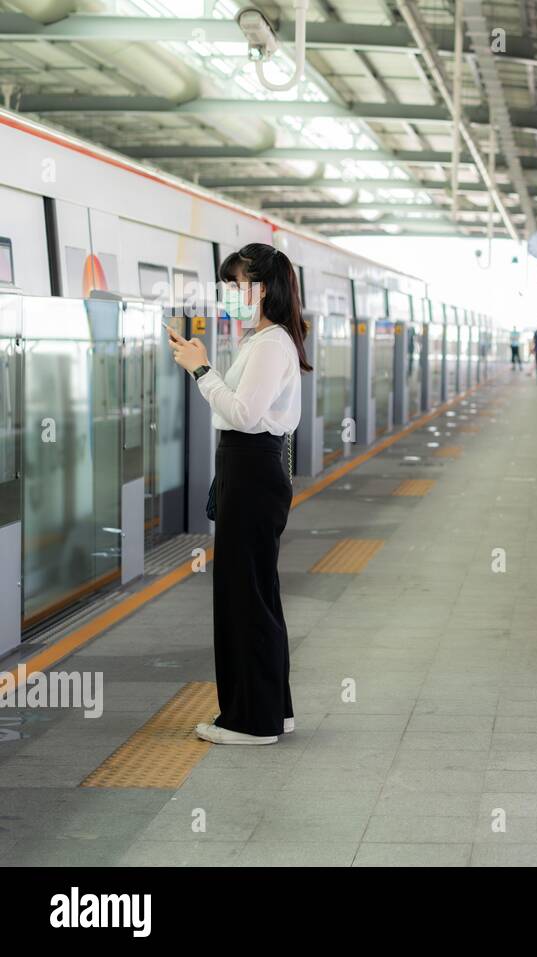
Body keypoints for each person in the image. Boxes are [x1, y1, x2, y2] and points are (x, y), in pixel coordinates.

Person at [169, 243, 311, 745]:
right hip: (248, 467)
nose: (228, 294)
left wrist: (201, 370)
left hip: (253, 467)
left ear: (265, 288)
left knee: (243, 596)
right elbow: (240, 410)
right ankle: (274, 710)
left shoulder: (270, 344)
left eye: (236, 284)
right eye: (226, 284)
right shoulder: (263, 340)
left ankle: (252, 721)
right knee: (256, 593)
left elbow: (245, 415)